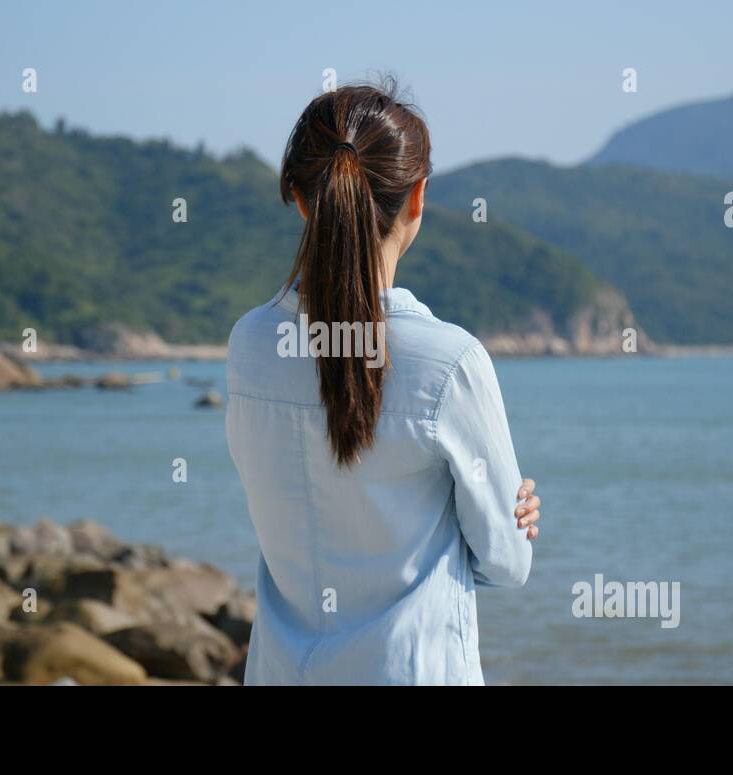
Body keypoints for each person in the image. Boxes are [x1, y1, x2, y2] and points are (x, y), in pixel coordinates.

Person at [225, 80, 540, 685]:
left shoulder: (250, 346)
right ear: (417, 197)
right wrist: (491, 515)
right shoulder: (450, 363)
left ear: (298, 198)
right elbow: (508, 562)